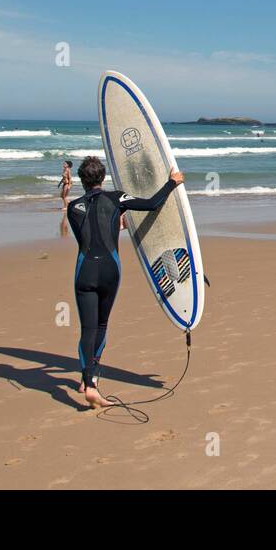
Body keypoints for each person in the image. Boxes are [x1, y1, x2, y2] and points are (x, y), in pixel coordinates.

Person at [66, 154, 184, 409]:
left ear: (81, 180)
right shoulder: (117, 198)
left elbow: (85, 236)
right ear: (102, 177)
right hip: (110, 270)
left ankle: (87, 383)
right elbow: (152, 204)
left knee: (87, 330)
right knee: (102, 325)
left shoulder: (72, 206)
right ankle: (91, 381)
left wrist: (110, 226)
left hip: (85, 271)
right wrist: (172, 182)